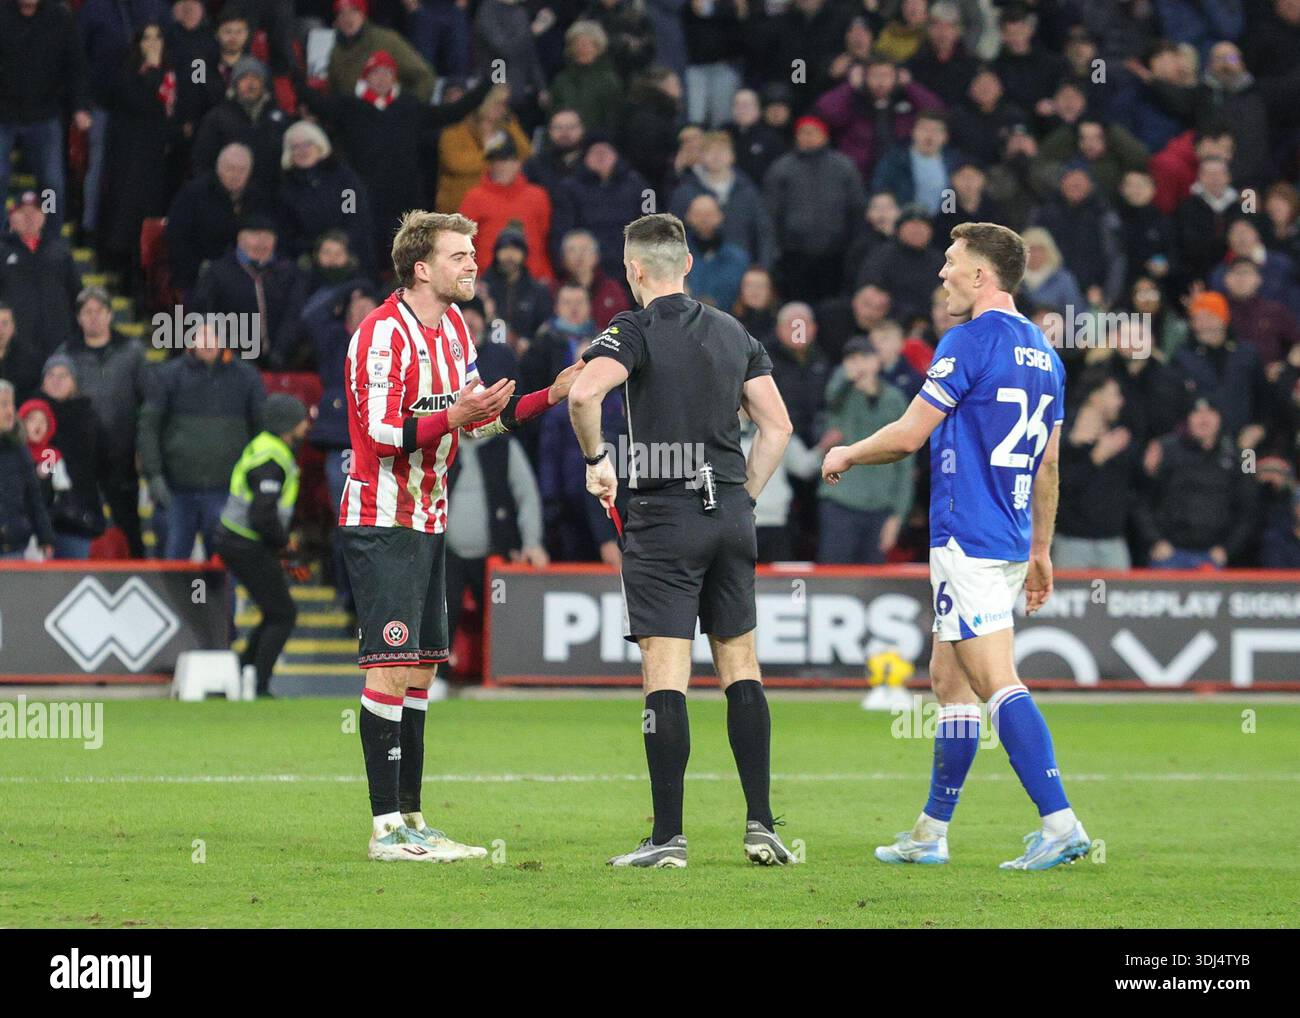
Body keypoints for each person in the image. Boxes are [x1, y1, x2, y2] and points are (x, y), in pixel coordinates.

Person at [822, 221, 1091, 870]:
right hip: (1008, 537)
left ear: (982, 276)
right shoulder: (1046, 356)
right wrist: (1041, 549)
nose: (941, 274)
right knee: (949, 680)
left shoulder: (967, 342)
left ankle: (1060, 823)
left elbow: (911, 436)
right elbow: (1048, 466)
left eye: (951, 263)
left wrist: (848, 452)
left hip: (967, 538)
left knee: (996, 681)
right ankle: (931, 832)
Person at [339, 210, 583, 862]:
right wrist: (454, 413)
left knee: (419, 670)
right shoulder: (380, 336)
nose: (473, 265)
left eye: (472, 255)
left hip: (429, 522)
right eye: (459, 256)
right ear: (422, 268)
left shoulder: (451, 330)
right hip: (382, 520)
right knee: (389, 672)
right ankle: (385, 828)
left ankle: (414, 818)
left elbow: (478, 426)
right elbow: (381, 438)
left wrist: (545, 399)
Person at [568, 212, 800, 868]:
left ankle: (668, 837)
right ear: (689, 264)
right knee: (741, 667)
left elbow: (585, 395)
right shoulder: (733, 331)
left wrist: (596, 462)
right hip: (729, 510)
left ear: (633, 269)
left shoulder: (632, 328)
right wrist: (744, 496)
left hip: (666, 516)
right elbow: (777, 426)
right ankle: (761, 825)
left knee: (665, 674)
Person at [215, 394, 310, 698]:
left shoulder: (267, 448)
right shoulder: (272, 458)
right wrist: (285, 547)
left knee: (275, 611)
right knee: (283, 613)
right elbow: (262, 515)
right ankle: (258, 684)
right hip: (244, 542)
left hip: (238, 539)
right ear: (287, 426)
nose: (307, 425)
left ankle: (244, 671)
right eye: (301, 419)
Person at [0, 379, 54, 560]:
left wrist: (44, 536)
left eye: (11, 404)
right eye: (3, 404)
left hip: (14, 546)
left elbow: (33, 495)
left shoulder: (18, 447)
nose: (10, 412)